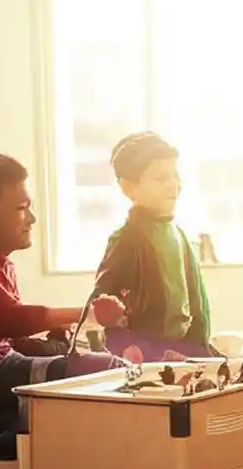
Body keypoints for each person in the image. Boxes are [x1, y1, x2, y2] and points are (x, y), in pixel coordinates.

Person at [0, 152, 125, 456]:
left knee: (96, 364)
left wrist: (53, 340)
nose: (32, 218)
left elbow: (8, 335)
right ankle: (4, 442)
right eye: (21, 208)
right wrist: (89, 313)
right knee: (100, 370)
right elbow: (11, 318)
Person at [90, 131, 214, 361]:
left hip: (185, 350)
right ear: (128, 188)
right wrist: (125, 345)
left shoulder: (179, 235)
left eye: (174, 175)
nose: (172, 185)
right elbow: (104, 304)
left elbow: (195, 302)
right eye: (159, 178)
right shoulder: (126, 241)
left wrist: (201, 347)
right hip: (148, 354)